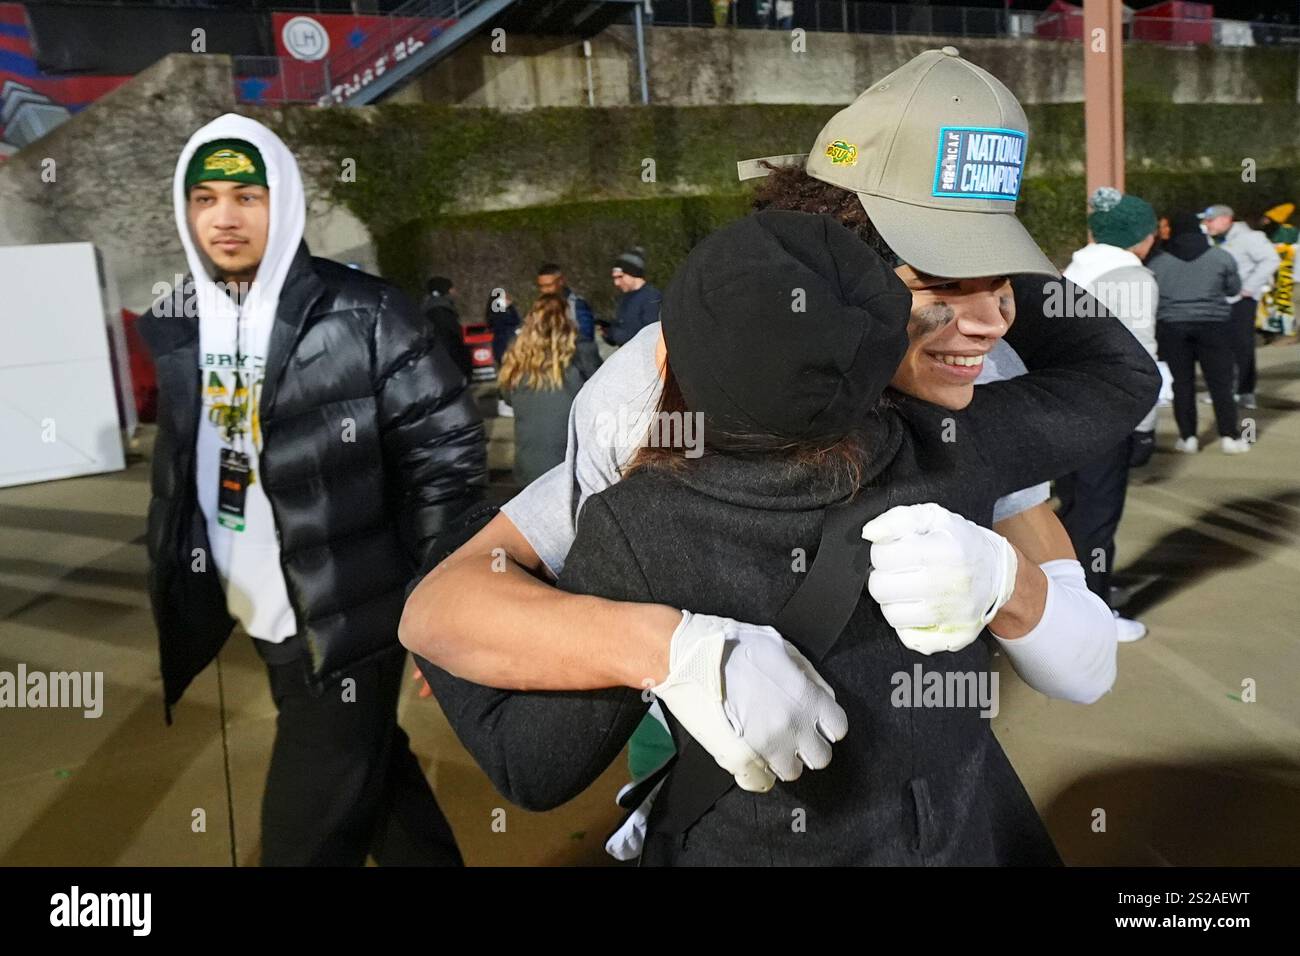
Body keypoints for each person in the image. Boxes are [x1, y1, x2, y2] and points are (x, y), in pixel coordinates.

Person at [403, 48, 1152, 850]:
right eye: (938, 273)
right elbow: (454, 603)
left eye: (999, 271)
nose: (993, 319)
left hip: (943, 805)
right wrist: (668, 648)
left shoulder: (982, 381)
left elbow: (1084, 667)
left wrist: (1011, 588)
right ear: (842, 253)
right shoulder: (652, 381)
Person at [139, 114, 487, 866]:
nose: (224, 218)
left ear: (285, 202)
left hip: (352, 613)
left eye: (246, 196)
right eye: (204, 198)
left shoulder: (368, 315)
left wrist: (448, 615)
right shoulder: (184, 327)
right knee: (374, 776)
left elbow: (447, 469)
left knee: (306, 832)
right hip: (265, 615)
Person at [1057, 188, 1160, 643]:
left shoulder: (1071, 270)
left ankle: (1071, 593)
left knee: (1073, 508)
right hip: (1106, 412)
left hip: (1059, 408)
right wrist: (1145, 426)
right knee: (1099, 516)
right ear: (1138, 238)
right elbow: (1144, 359)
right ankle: (1096, 614)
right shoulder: (1131, 278)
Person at [1148, 212, 1250, 455]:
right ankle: (1229, 436)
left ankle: (1188, 437)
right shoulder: (1221, 257)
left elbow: (1151, 293)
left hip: (1172, 326)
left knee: (1182, 384)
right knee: (1221, 384)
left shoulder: (1157, 262)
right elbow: (1233, 288)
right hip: (1214, 326)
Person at [498, 293, 601, 485]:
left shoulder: (516, 360)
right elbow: (602, 393)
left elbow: (508, 398)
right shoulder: (581, 354)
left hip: (528, 469)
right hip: (570, 467)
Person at [1199, 203, 1281, 409]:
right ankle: (1223, 390)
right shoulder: (1212, 239)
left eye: (1210, 220)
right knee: (1219, 348)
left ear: (1226, 219)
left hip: (1241, 301)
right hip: (1218, 300)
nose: (1206, 224)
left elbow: (1271, 260)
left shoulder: (1249, 238)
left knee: (1242, 346)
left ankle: (1245, 391)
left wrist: (1249, 287)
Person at [604, 246, 661, 348]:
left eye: (620, 277)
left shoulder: (651, 297)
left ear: (633, 273)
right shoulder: (625, 297)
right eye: (614, 278)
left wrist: (615, 334)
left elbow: (651, 334)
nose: (616, 283)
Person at [422, 275, 472, 381]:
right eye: (452, 288)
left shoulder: (429, 309)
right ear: (446, 291)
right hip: (449, 366)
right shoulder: (441, 312)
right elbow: (453, 338)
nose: (454, 291)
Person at [536, 263, 597, 342]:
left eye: (549, 285)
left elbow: (586, 336)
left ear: (561, 281)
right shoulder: (540, 306)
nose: (545, 290)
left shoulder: (577, 305)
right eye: (541, 286)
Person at [484, 286, 522, 365]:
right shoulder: (499, 314)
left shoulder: (494, 312)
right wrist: (511, 307)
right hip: (504, 345)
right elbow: (516, 321)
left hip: (502, 345)